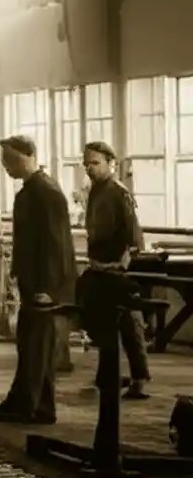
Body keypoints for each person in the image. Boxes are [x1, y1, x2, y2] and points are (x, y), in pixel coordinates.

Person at [0, 135, 75, 424]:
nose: (6, 168)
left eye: (10, 161)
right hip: (32, 280)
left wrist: (48, 289)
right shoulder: (31, 191)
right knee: (31, 345)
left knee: (37, 346)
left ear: (28, 156)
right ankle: (39, 406)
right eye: (4, 162)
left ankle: (27, 405)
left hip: (42, 285)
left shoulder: (46, 193)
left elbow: (56, 244)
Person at [82, 140, 151, 400]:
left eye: (95, 163)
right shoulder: (95, 191)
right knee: (102, 322)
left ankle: (139, 378)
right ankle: (107, 374)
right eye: (86, 163)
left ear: (111, 164)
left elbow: (134, 235)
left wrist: (125, 263)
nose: (90, 168)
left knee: (130, 325)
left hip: (117, 270)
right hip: (99, 266)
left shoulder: (118, 192)